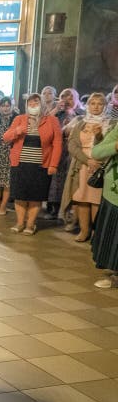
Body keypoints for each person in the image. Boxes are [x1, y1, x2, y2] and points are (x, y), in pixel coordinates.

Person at [3, 93, 62, 235]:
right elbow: (6, 138)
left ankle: (30, 225)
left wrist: (53, 164)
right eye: (31, 102)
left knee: (36, 196)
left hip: (41, 166)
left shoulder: (52, 120)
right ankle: (19, 223)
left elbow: (58, 143)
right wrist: (18, 130)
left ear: (42, 103)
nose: (33, 105)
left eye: (36, 102)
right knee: (20, 195)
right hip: (20, 164)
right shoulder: (19, 119)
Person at [60, 92, 113, 241]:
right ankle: (84, 231)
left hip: (100, 167)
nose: (96, 107)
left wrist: (98, 136)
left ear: (105, 105)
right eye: (92, 103)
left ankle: (97, 233)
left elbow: (107, 146)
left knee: (96, 200)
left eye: (99, 103)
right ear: (88, 105)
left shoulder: (111, 124)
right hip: (82, 166)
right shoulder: (80, 122)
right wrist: (87, 160)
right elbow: (72, 145)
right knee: (82, 198)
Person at [48, 87, 85, 220]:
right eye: (64, 96)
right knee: (56, 179)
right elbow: (45, 123)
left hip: (75, 150)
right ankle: (54, 208)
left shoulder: (81, 113)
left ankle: (70, 210)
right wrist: (57, 109)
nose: (67, 100)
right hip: (58, 149)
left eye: (70, 97)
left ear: (76, 98)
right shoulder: (57, 112)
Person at [91, 120, 118, 288]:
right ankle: (114, 274)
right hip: (114, 192)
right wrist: (115, 146)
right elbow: (97, 151)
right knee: (112, 237)